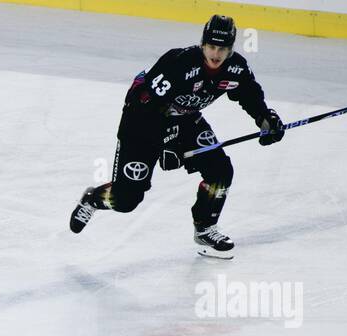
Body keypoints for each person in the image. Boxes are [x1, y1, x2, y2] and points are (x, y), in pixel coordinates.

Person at [69, 15, 284, 258]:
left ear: (230, 49)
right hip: (140, 122)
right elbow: (144, 103)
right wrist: (165, 143)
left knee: (220, 171)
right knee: (126, 200)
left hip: (184, 119)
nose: (216, 54)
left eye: (222, 48)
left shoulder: (236, 69)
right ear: (203, 44)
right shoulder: (179, 64)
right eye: (211, 47)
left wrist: (265, 119)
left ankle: (204, 228)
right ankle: (93, 199)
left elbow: (248, 94)